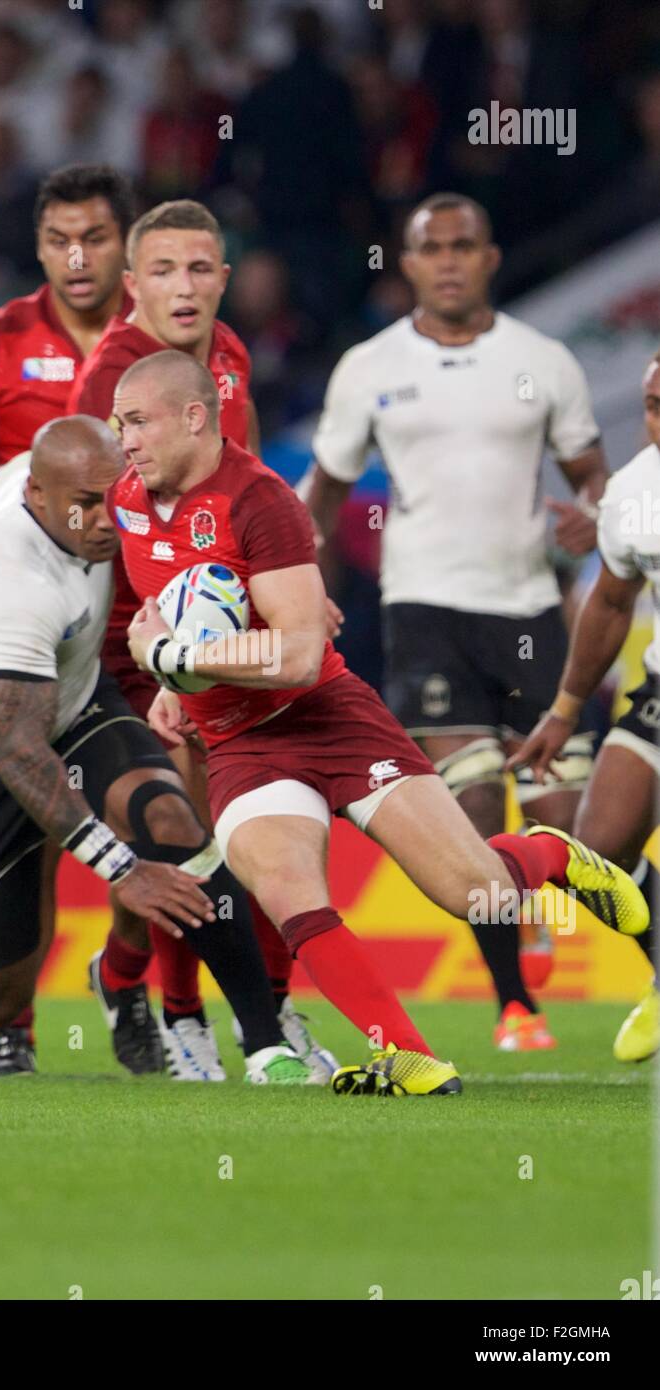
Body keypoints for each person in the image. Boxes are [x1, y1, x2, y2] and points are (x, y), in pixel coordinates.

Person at [111, 350, 649, 1097]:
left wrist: (176, 655)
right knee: (287, 885)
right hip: (240, 742)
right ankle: (407, 1056)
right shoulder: (127, 500)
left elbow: (300, 654)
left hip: (328, 718)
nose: (125, 440)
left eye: (137, 422)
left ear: (194, 417)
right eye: (118, 424)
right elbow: (175, 605)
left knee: (477, 895)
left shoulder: (261, 502)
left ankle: (550, 859)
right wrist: (175, 682)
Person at [0, 417, 314, 1087]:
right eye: (83, 503)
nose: (103, 518)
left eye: (112, 495)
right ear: (37, 494)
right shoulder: (8, 579)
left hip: (76, 703)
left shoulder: (77, 487)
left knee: (173, 826)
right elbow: (18, 754)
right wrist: (123, 870)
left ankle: (263, 1047)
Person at [304, 192, 609, 1052]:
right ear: (405, 265)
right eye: (429, 247)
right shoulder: (368, 366)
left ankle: (543, 913)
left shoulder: (544, 361)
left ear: (490, 257)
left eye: (462, 245)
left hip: (527, 605)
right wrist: (295, 586)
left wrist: (600, 516)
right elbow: (320, 495)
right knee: (472, 802)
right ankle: (515, 1002)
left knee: (562, 806)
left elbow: (594, 474)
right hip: (424, 606)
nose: (446, 260)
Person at [66, 197, 339, 1081]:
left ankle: (241, 999)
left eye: (200, 269)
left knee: (271, 816)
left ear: (224, 276)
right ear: (131, 284)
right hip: (127, 647)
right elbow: (94, 527)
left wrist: (290, 590)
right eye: (163, 271)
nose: (184, 289)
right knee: (186, 837)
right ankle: (179, 1011)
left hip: (211, 632)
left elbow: (245, 486)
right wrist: (163, 665)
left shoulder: (226, 356)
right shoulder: (115, 378)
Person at [0, 162, 135, 1074]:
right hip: (30, 633)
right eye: (58, 239)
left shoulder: (156, 338)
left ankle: (130, 982)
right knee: (36, 826)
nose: (77, 257)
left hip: (143, 632)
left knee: (173, 819)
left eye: (94, 236)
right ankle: (11, 1024)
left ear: (125, 241)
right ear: (37, 244)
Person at [511, 351, 660, 1063]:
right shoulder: (633, 493)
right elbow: (609, 601)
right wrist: (564, 711)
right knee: (599, 851)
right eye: (655, 405)